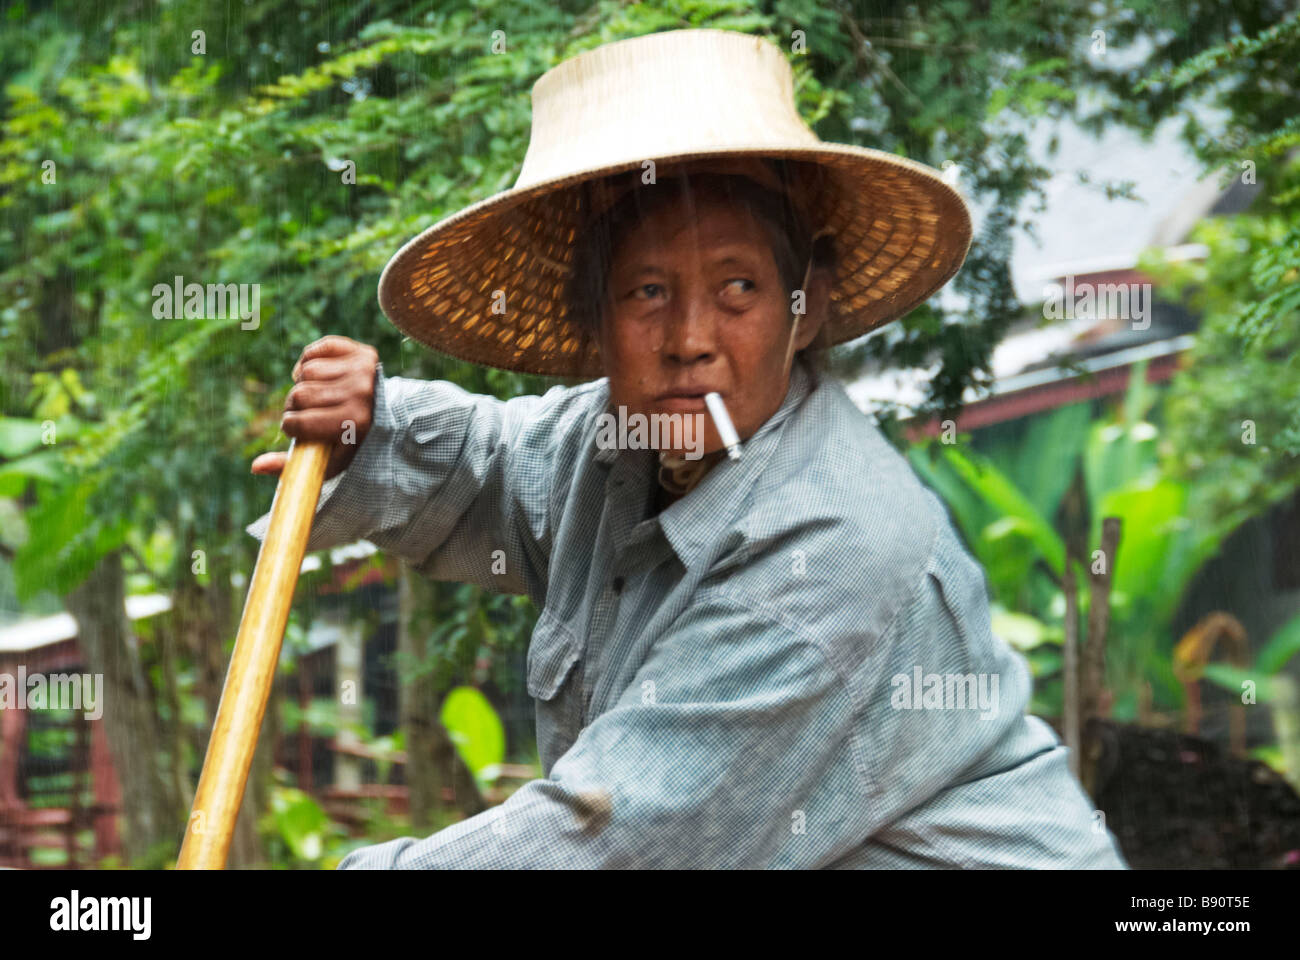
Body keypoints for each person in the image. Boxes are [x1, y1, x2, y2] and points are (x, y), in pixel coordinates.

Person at [249, 29, 1127, 868]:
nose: (690, 339)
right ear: (593, 317)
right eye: (647, 292)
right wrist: (379, 423)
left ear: (806, 306)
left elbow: (613, 844)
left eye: (739, 287)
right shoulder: (614, 447)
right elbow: (496, 463)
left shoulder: (837, 547)